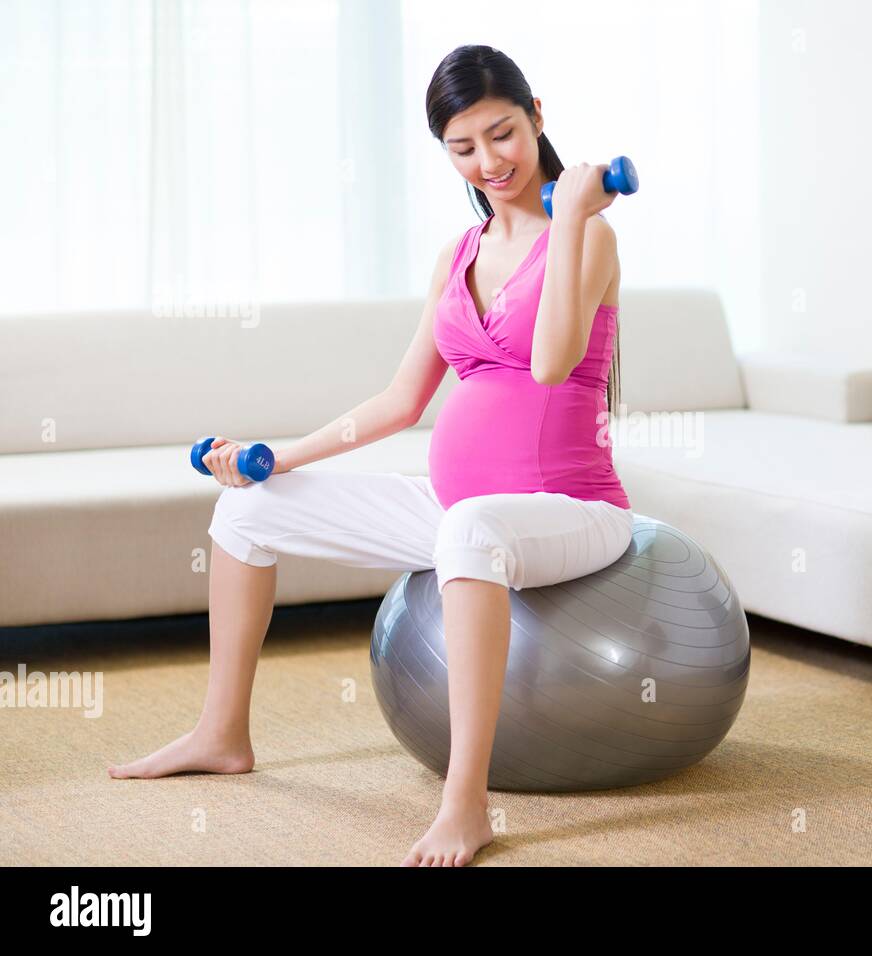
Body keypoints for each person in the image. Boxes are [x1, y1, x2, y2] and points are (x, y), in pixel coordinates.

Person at [108, 44, 634, 868]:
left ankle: (466, 804)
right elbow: (400, 401)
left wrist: (568, 217)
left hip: (574, 512)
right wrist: (280, 457)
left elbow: (551, 364)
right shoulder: (457, 256)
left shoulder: (587, 238)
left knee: (468, 535)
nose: (489, 162)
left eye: (502, 134)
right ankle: (221, 732)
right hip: (457, 512)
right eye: (464, 148)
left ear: (538, 120)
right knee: (244, 510)